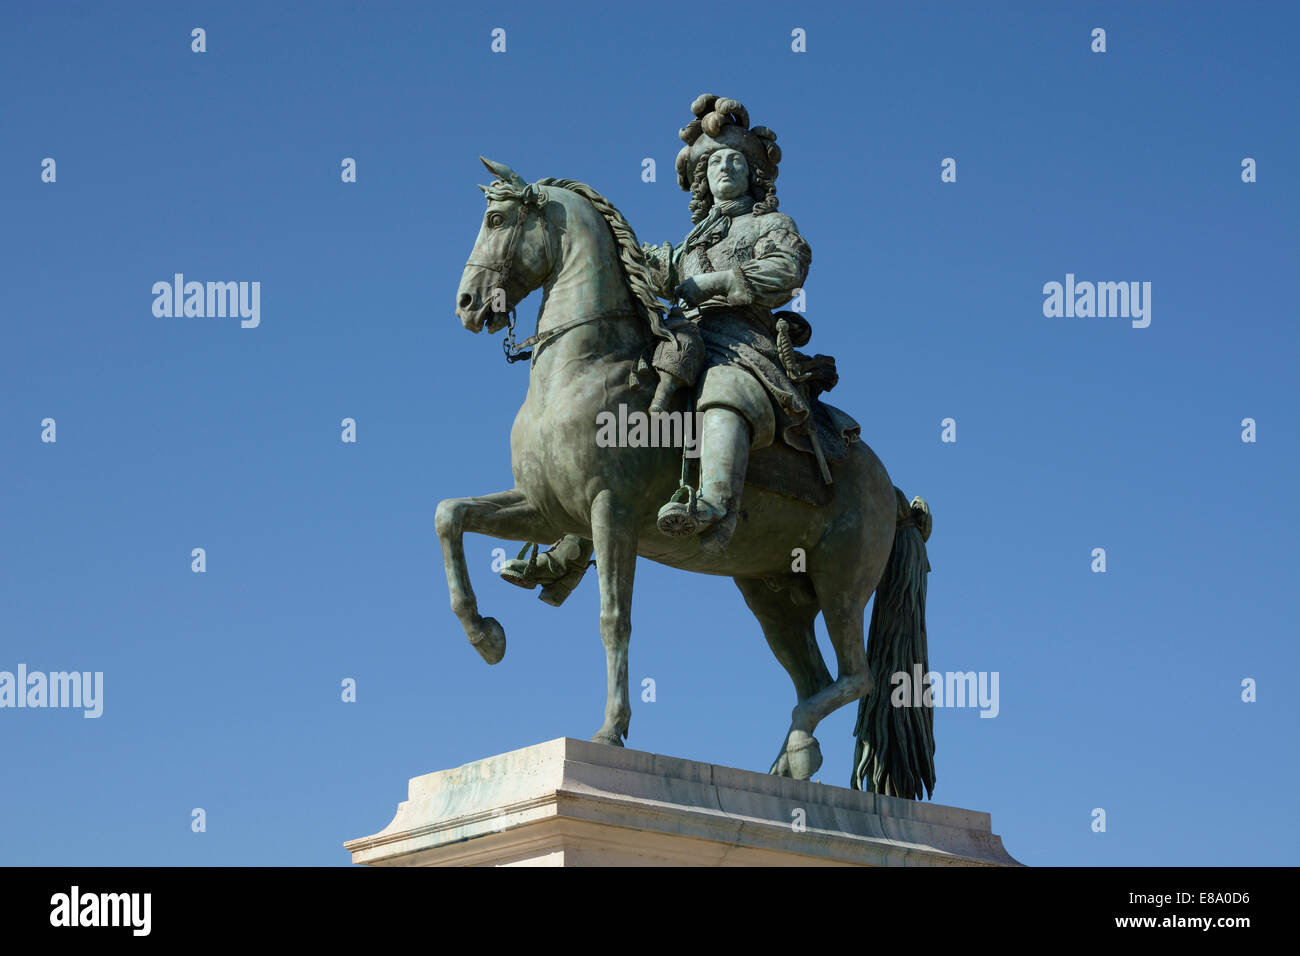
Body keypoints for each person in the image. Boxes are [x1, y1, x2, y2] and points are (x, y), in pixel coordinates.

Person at [500, 94, 813, 601]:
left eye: (736, 160)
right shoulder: (689, 243)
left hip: (743, 341)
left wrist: (716, 284)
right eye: (714, 162)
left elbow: (787, 269)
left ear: (754, 172)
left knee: (722, 386)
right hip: (682, 338)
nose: (725, 168)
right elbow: (652, 267)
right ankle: (571, 548)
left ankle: (713, 503)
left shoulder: (769, 226)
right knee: (613, 401)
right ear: (702, 178)